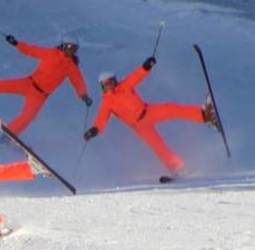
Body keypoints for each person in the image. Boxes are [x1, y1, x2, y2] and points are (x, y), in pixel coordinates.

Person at [82, 56, 218, 179]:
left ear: (115, 80)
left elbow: (136, 76)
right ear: (102, 87)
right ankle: (178, 168)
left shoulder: (124, 86)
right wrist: (94, 130)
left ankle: (204, 115)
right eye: (105, 84)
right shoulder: (106, 103)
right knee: (157, 145)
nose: (109, 85)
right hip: (139, 126)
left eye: (111, 82)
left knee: (172, 109)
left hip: (148, 111)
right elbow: (101, 119)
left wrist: (147, 66)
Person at [0, 33, 92, 135]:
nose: (71, 52)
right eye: (70, 47)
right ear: (63, 46)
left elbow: (78, 81)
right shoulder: (50, 53)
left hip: (40, 95)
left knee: (26, 117)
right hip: (29, 83)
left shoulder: (71, 66)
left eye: (74, 49)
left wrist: (83, 95)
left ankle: (8, 137)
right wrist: (16, 43)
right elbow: (31, 50)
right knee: (4, 85)